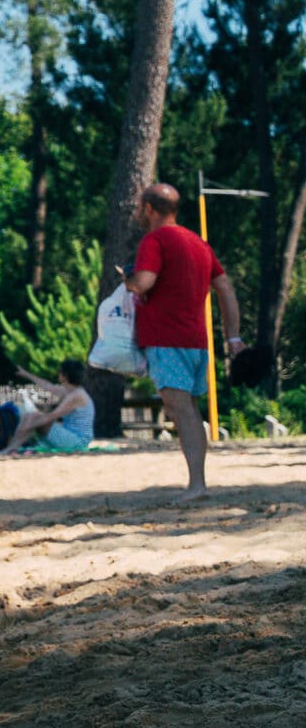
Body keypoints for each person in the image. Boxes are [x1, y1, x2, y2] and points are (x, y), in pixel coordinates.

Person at [127, 183, 243, 503]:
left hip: (167, 339)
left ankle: (197, 485)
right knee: (189, 408)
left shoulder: (155, 240)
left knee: (182, 410)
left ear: (149, 209)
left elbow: (144, 282)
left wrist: (129, 280)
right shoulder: (199, 243)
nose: (138, 213)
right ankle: (197, 481)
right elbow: (226, 290)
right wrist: (233, 337)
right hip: (196, 341)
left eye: (140, 207)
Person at [0, 360, 95, 453]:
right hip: (72, 437)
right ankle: (13, 446)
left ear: (65, 376)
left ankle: (13, 447)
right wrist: (26, 374)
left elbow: (52, 416)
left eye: (60, 371)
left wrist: (28, 426)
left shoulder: (76, 395)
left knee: (33, 417)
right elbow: (47, 386)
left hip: (77, 442)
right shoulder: (71, 392)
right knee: (31, 417)